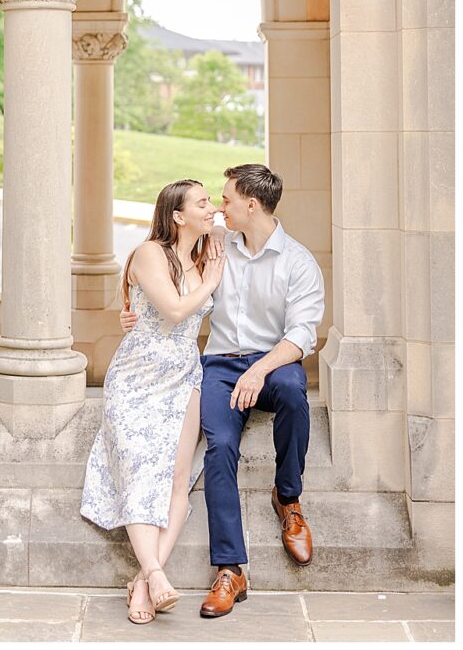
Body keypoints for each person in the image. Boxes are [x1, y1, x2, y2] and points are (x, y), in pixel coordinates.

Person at [119, 163, 325, 618]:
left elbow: (302, 335)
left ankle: (288, 497)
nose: (219, 206)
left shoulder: (298, 262)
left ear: (251, 205)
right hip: (218, 366)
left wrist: (259, 372)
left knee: (293, 392)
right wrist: (133, 316)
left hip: (274, 363)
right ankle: (231, 569)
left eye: (226, 199)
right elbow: (161, 279)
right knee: (219, 447)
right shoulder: (214, 246)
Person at [82, 179, 226, 624]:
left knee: (177, 478)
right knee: (141, 471)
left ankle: (146, 581)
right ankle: (156, 572)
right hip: (137, 375)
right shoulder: (149, 253)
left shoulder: (207, 254)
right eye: (202, 204)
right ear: (177, 216)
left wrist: (216, 261)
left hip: (185, 375)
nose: (211, 208)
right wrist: (213, 282)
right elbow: (176, 310)